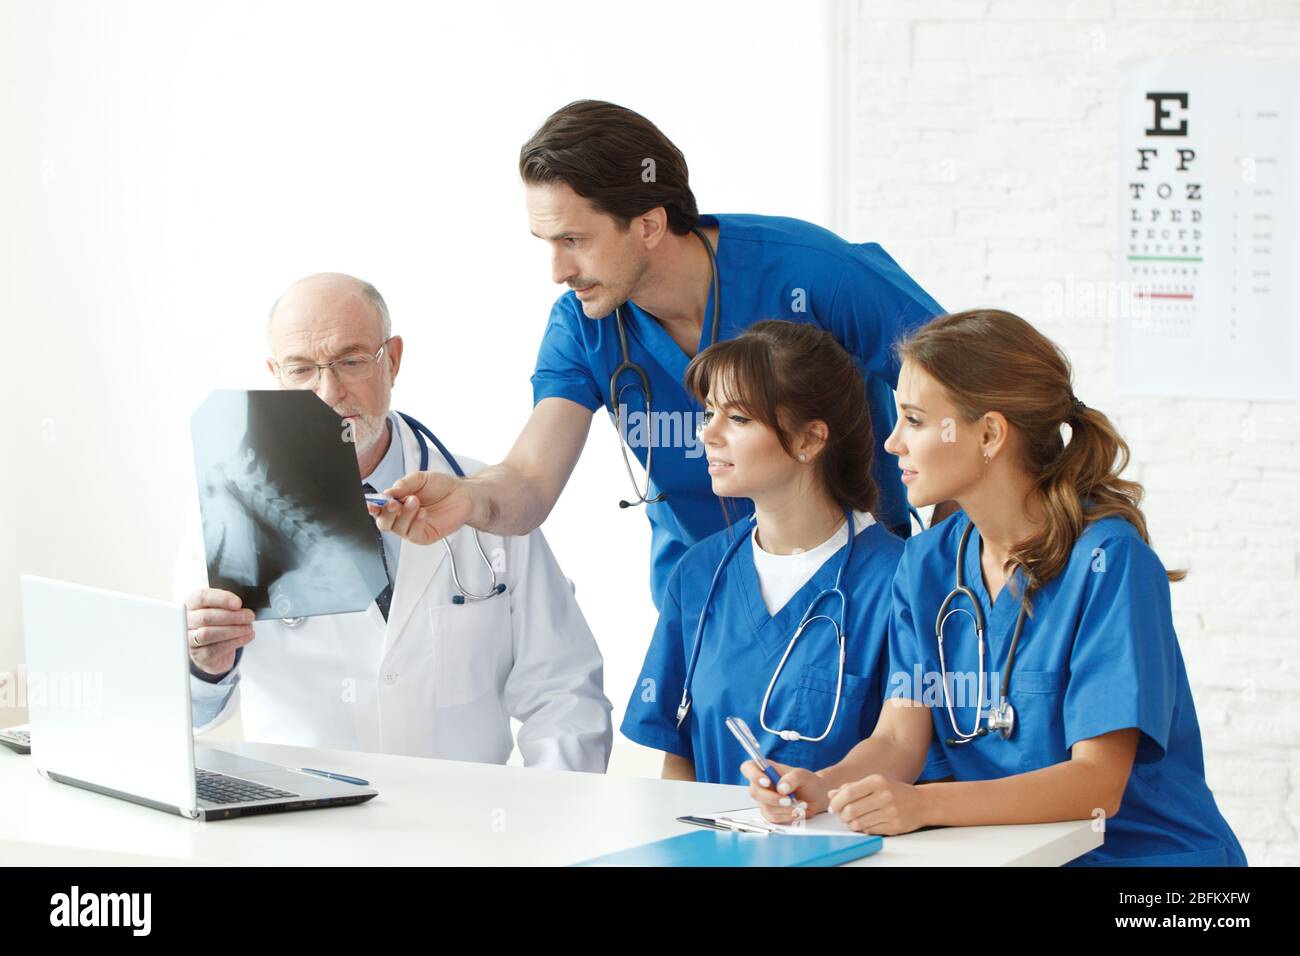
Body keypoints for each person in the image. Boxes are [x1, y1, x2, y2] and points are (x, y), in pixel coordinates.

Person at [373, 100, 951, 611]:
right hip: (707, 610)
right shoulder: (583, 326)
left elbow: (968, 391)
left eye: (573, 241)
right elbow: (528, 479)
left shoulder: (811, 273)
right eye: (546, 244)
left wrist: (947, 562)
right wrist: (470, 499)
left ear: (649, 224)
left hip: (862, 593)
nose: (557, 272)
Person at [740, 309, 1246, 866]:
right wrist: (824, 787)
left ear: (988, 434)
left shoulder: (1109, 562)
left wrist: (925, 805)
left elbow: (1096, 784)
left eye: (914, 419)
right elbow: (898, 741)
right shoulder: (928, 562)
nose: (892, 443)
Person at [176, 273, 613, 772]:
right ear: (276, 373)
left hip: (465, 832)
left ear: (393, 360)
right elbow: (191, 715)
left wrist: (547, 832)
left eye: (351, 361)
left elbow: (564, 691)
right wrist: (204, 666)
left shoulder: (486, 496)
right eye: (302, 369)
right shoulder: (226, 509)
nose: (328, 391)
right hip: (307, 833)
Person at [621, 322, 947, 786]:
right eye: (709, 412)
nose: (708, 433)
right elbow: (679, 754)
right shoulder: (699, 574)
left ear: (809, 440)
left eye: (737, 419)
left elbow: (908, 753)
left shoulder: (899, 580)